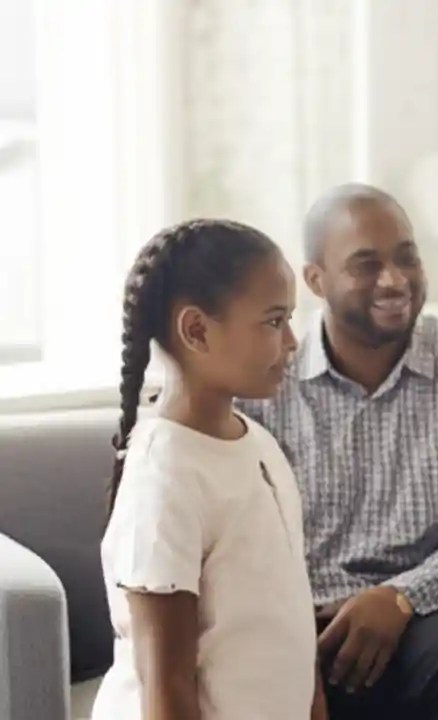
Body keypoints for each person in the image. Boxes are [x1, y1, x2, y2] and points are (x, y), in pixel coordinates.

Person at [237, 184, 438, 720]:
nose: (395, 280)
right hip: (291, 619)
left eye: (407, 257)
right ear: (315, 280)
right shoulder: (263, 379)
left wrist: (401, 597)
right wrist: (288, 624)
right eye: (366, 264)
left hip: (424, 621)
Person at [93, 220, 322, 719]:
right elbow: (167, 687)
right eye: (273, 321)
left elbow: (292, 623)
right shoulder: (166, 475)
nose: (291, 341)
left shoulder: (259, 444)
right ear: (197, 330)